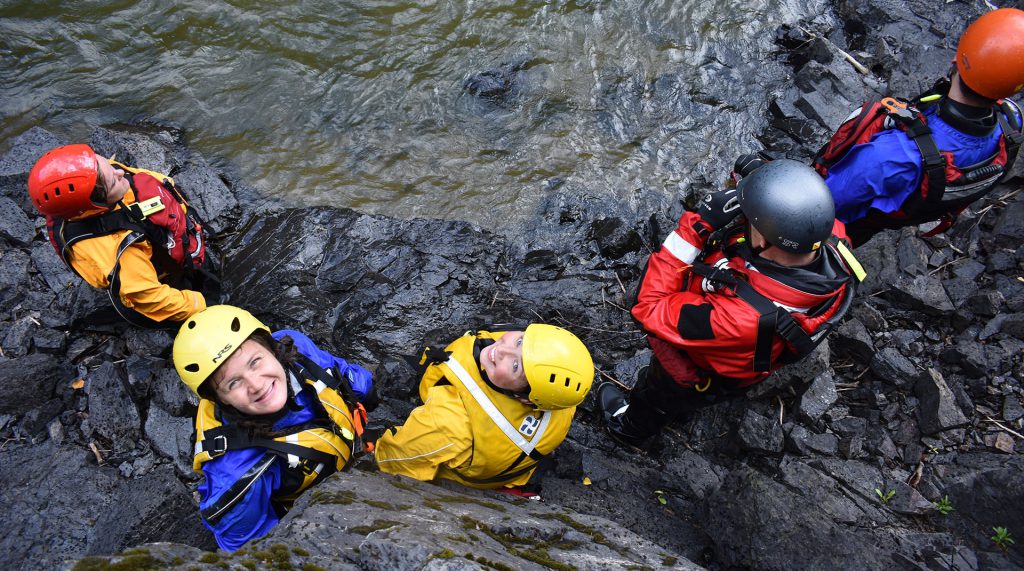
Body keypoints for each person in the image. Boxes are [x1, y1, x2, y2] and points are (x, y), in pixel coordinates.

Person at [598, 159, 863, 448]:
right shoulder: (832, 239)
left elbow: (646, 307)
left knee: (659, 393)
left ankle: (629, 428)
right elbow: (798, 211)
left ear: (763, 238)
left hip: (709, 362)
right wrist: (764, 177)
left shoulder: (736, 320)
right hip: (749, 358)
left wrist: (697, 226)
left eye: (752, 219)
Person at [172, 305, 374, 551]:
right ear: (219, 399)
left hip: (356, 454)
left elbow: (339, 373)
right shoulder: (237, 478)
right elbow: (254, 553)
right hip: (325, 515)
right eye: (233, 382)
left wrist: (369, 391)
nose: (256, 385)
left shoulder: (295, 347)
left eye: (255, 362)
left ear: (272, 349)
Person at [816, 8, 1024, 247]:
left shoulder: (888, 157)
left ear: (956, 60)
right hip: (885, 217)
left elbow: (821, 206)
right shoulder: (1012, 123)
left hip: (838, 226)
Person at [373, 324, 593, 495]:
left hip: (462, 459)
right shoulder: (558, 397)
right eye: (519, 341)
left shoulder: (450, 421)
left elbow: (394, 462)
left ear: (523, 399)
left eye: (515, 366)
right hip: (514, 458)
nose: (501, 349)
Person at [27, 144, 216, 327]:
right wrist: (203, 305)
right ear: (97, 204)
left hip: (162, 246)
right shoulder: (119, 250)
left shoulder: (96, 179)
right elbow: (151, 298)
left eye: (109, 165)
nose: (119, 172)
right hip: (157, 282)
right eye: (113, 181)